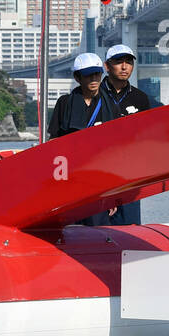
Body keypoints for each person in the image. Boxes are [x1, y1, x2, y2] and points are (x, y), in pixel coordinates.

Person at [47, 52, 114, 226]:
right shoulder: (64, 103)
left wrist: (113, 193)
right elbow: (53, 143)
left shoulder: (109, 105)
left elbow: (116, 149)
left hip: (98, 181)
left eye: (97, 73)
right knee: (69, 231)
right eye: (88, 74)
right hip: (69, 178)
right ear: (77, 77)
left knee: (99, 232)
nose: (93, 78)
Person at [99, 44, 151, 225]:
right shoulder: (92, 95)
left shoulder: (140, 98)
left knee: (130, 227)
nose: (124, 67)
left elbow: (146, 138)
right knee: (97, 230)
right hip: (97, 173)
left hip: (130, 176)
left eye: (128, 62)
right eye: (118, 62)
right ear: (107, 66)